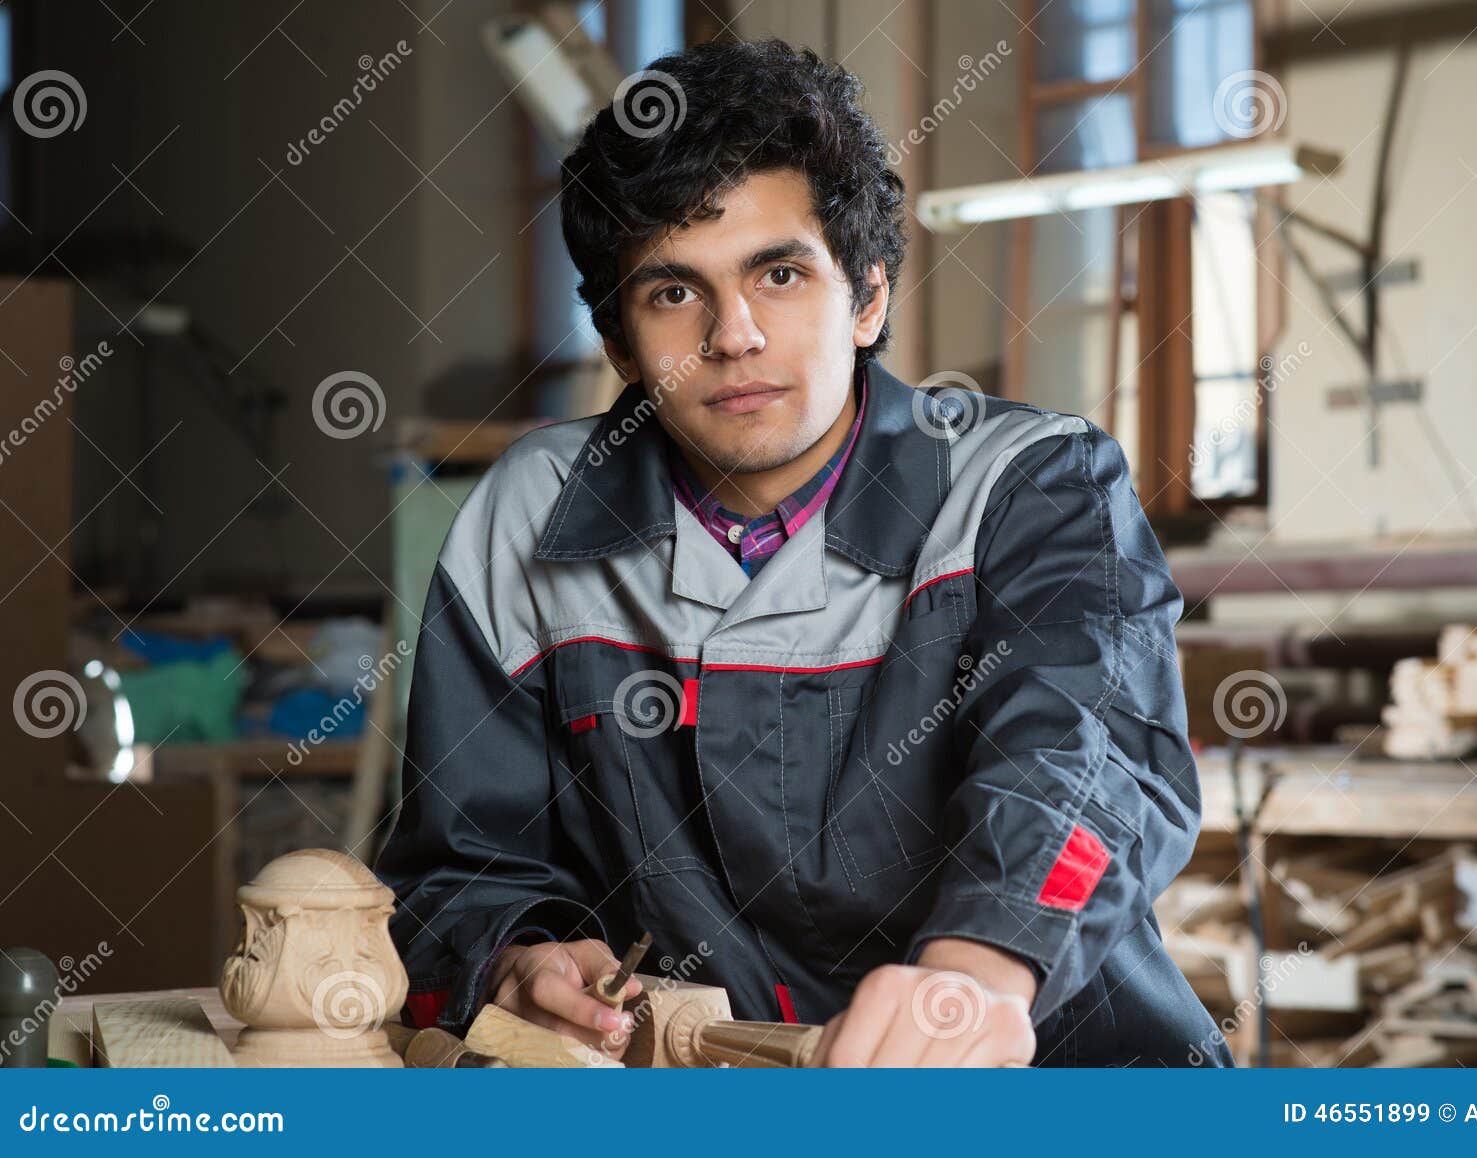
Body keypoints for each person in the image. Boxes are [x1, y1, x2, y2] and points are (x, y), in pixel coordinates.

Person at [375, 37, 1229, 1068]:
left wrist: (975, 975)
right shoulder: (529, 514)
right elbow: (458, 866)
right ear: (618, 345)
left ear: (866, 297)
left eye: (778, 274)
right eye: (673, 292)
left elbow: (1091, 767)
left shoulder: (1028, 484)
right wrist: (516, 956)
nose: (732, 334)